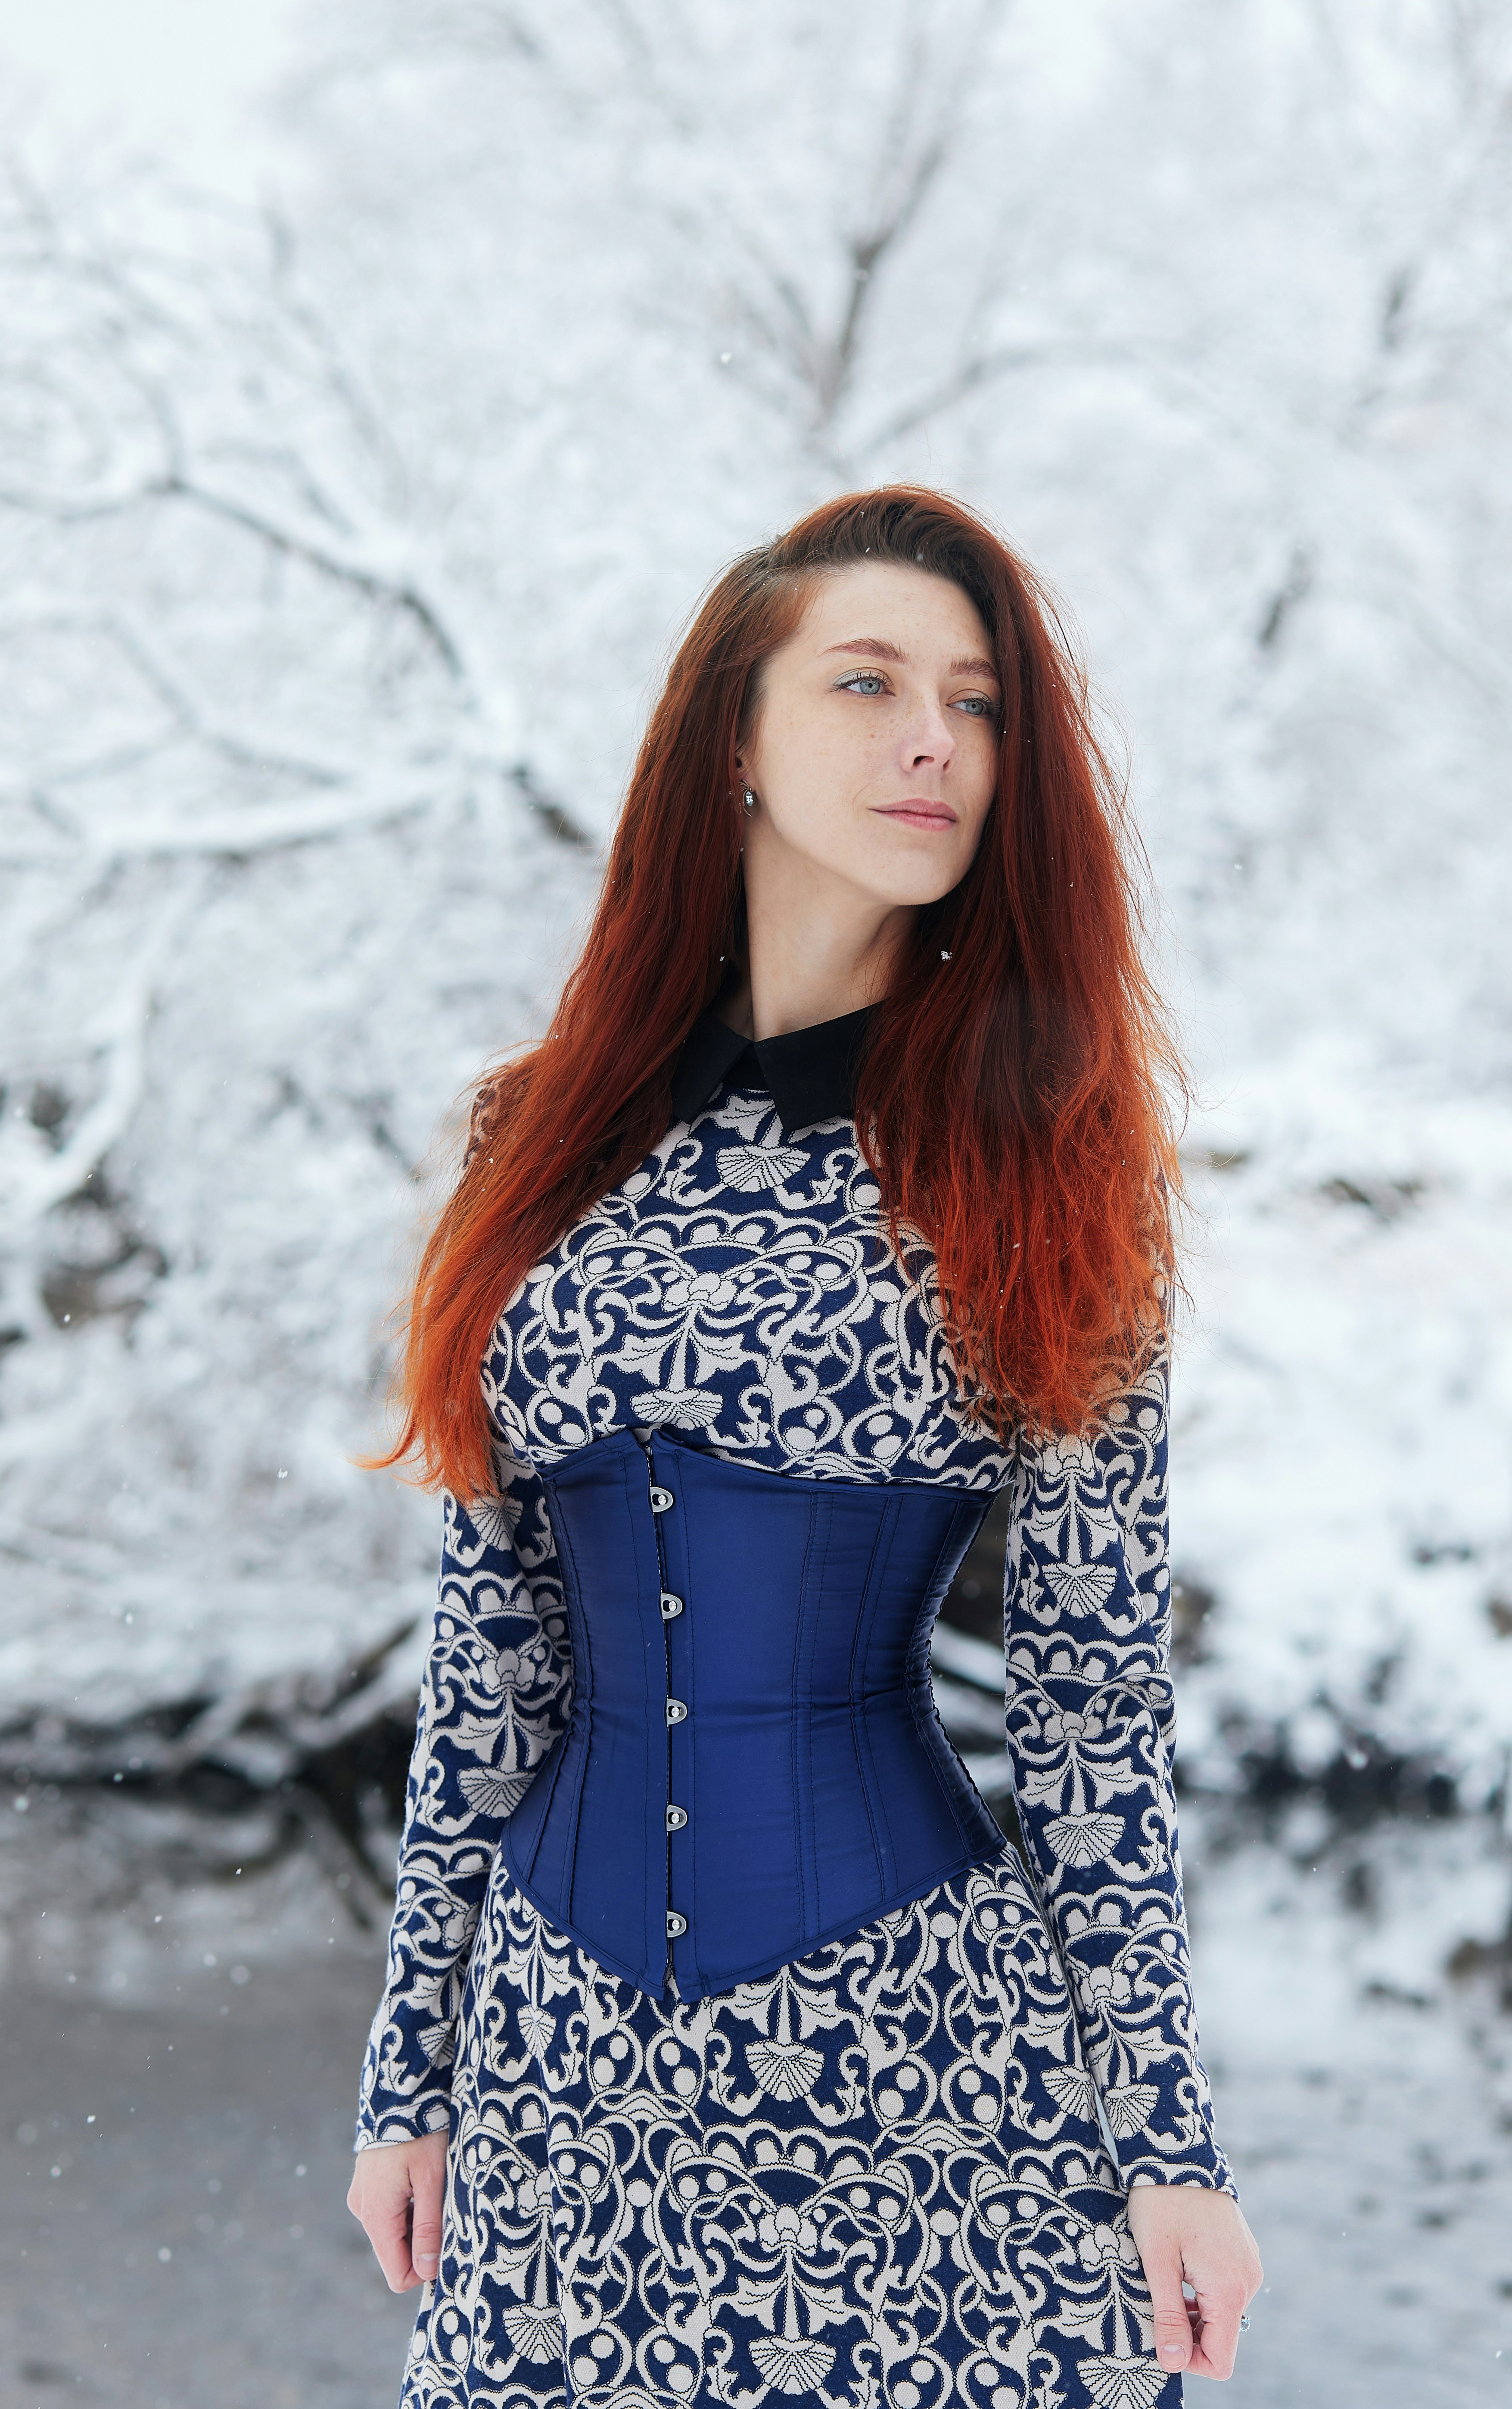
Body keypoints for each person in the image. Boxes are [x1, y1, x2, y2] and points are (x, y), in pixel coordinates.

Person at [347, 486, 1263, 2406]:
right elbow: (497, 1647)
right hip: (559, 2068)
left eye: (976, 702)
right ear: (736, 742)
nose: (935, 740)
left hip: (922, 2054)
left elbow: (1090, 1705)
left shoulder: (1051, 1164)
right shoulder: (537, 1135)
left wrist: (1170, 2147)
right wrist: (407, 2074)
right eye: (868, 683)